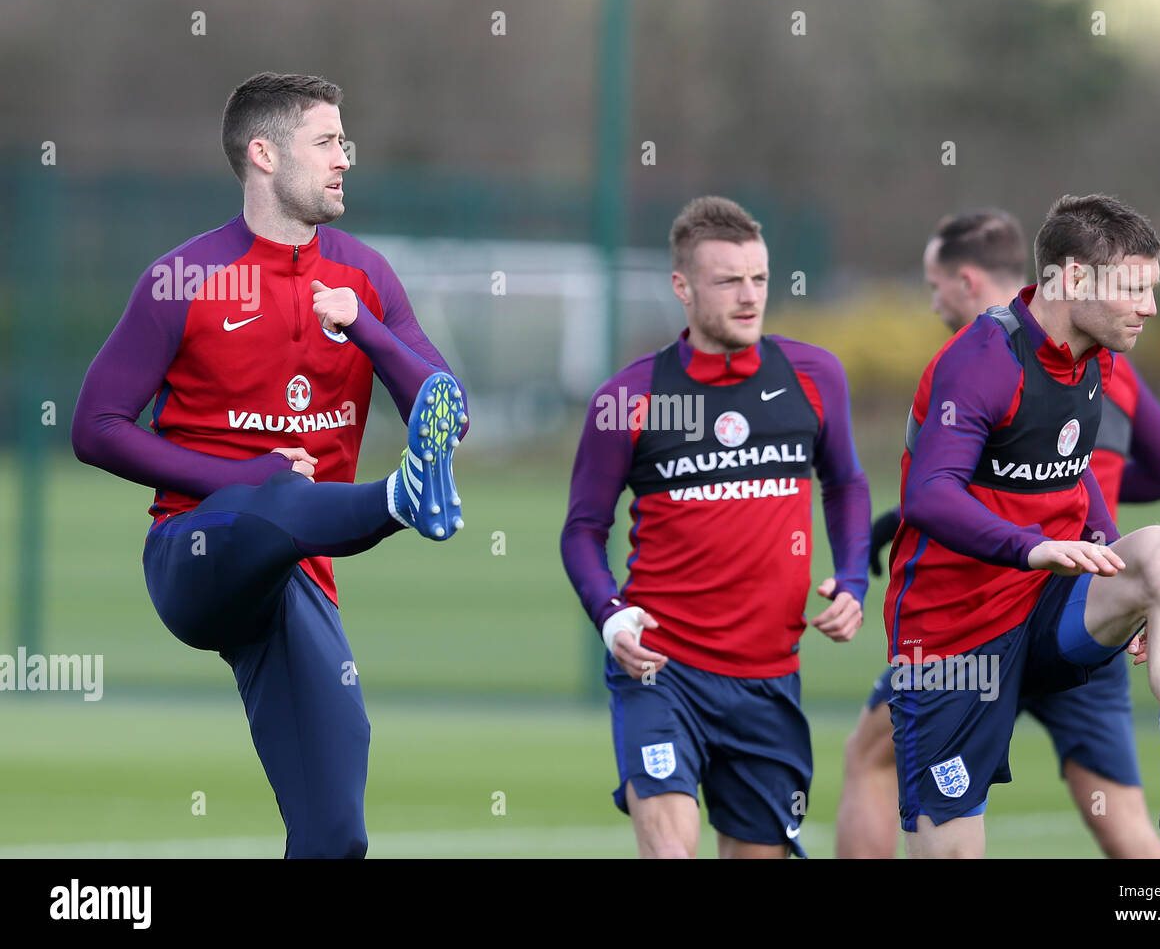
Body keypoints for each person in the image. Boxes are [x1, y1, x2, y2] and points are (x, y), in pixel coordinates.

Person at [70, 72, 468, 858]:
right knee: (281, 492)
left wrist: (370, 333)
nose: (343, 159)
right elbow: (94, 428)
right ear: (263, 154)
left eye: (343, 143)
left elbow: (448, 409)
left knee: (335, 835)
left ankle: (396, 497)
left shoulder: (365, 278)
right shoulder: (182, 278)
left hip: (300, 579)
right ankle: (398, 500)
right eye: (325, 142)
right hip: (196, 552)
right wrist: (240, 476)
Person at [880, 194, 1160, 858]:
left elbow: (1071, 469)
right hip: (952, 637)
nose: (1149, 308)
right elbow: (928, 497)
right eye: (1135, 291)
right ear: (1074, 279)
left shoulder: (1097, 360)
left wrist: (1120, 570)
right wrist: (1033, 548)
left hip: (1046, 610)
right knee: (951, 852)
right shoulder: (983, 360)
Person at [560, 196, 871, 858]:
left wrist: (852, 581)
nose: (749, 295)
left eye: (759, 279)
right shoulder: (630, 398)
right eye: (728, 280)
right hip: (661, 669)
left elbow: (844, 484)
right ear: (682, 287)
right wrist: (611, 615)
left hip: (769, 680)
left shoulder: (815, 377)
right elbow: (583, 529)